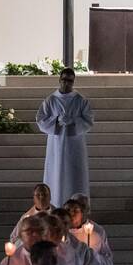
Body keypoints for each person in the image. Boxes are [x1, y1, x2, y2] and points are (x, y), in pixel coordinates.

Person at [36, 68, 94, 201]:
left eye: (70, 80)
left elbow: (89, 121)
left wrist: (74, 121)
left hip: (75, 145)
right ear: (59, 80)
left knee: (75, 176)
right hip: (56, 145)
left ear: (73, 82)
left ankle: (77, 205)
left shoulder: (80, 100)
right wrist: (56, 121)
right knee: (55, 174)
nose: (66, 83)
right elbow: (40, 119)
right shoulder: (51, 100)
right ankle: (55, 203)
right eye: (64, 80)